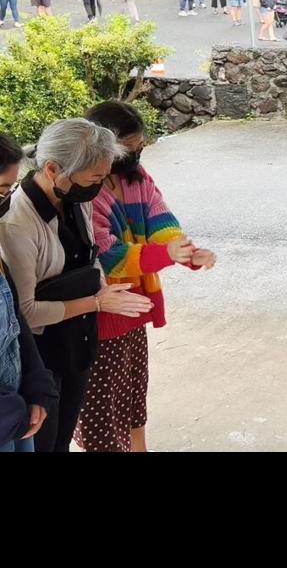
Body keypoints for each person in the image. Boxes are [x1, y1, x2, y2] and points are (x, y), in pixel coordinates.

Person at [0, 119, 154, 452]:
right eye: (94, 178)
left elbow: (90, 253)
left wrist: (102, 287)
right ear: (53, 169)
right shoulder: (16, 224)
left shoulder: (77, 198)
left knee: (65, 436)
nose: (99, 186)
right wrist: (96, 303)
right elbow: (25, 312)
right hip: (42, 356)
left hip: (79, 341)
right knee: (46, 442)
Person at [77, 102, 215, 453]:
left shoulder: (136, 177)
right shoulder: (86, 191)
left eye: (140, 146)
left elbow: (159, 219)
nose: (136, 155)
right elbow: (108, 257)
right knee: (101, 413)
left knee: (134, 399)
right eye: (129, 148)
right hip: (101, 314)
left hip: (134, 308)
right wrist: (166, 254)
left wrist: (186, 252)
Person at [1, 133, 59, 454]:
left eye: (7, 192)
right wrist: (12, 411)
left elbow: (15, 317)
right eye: (0, 190)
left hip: (16, 412)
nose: (5, 203)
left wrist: (37, 381)